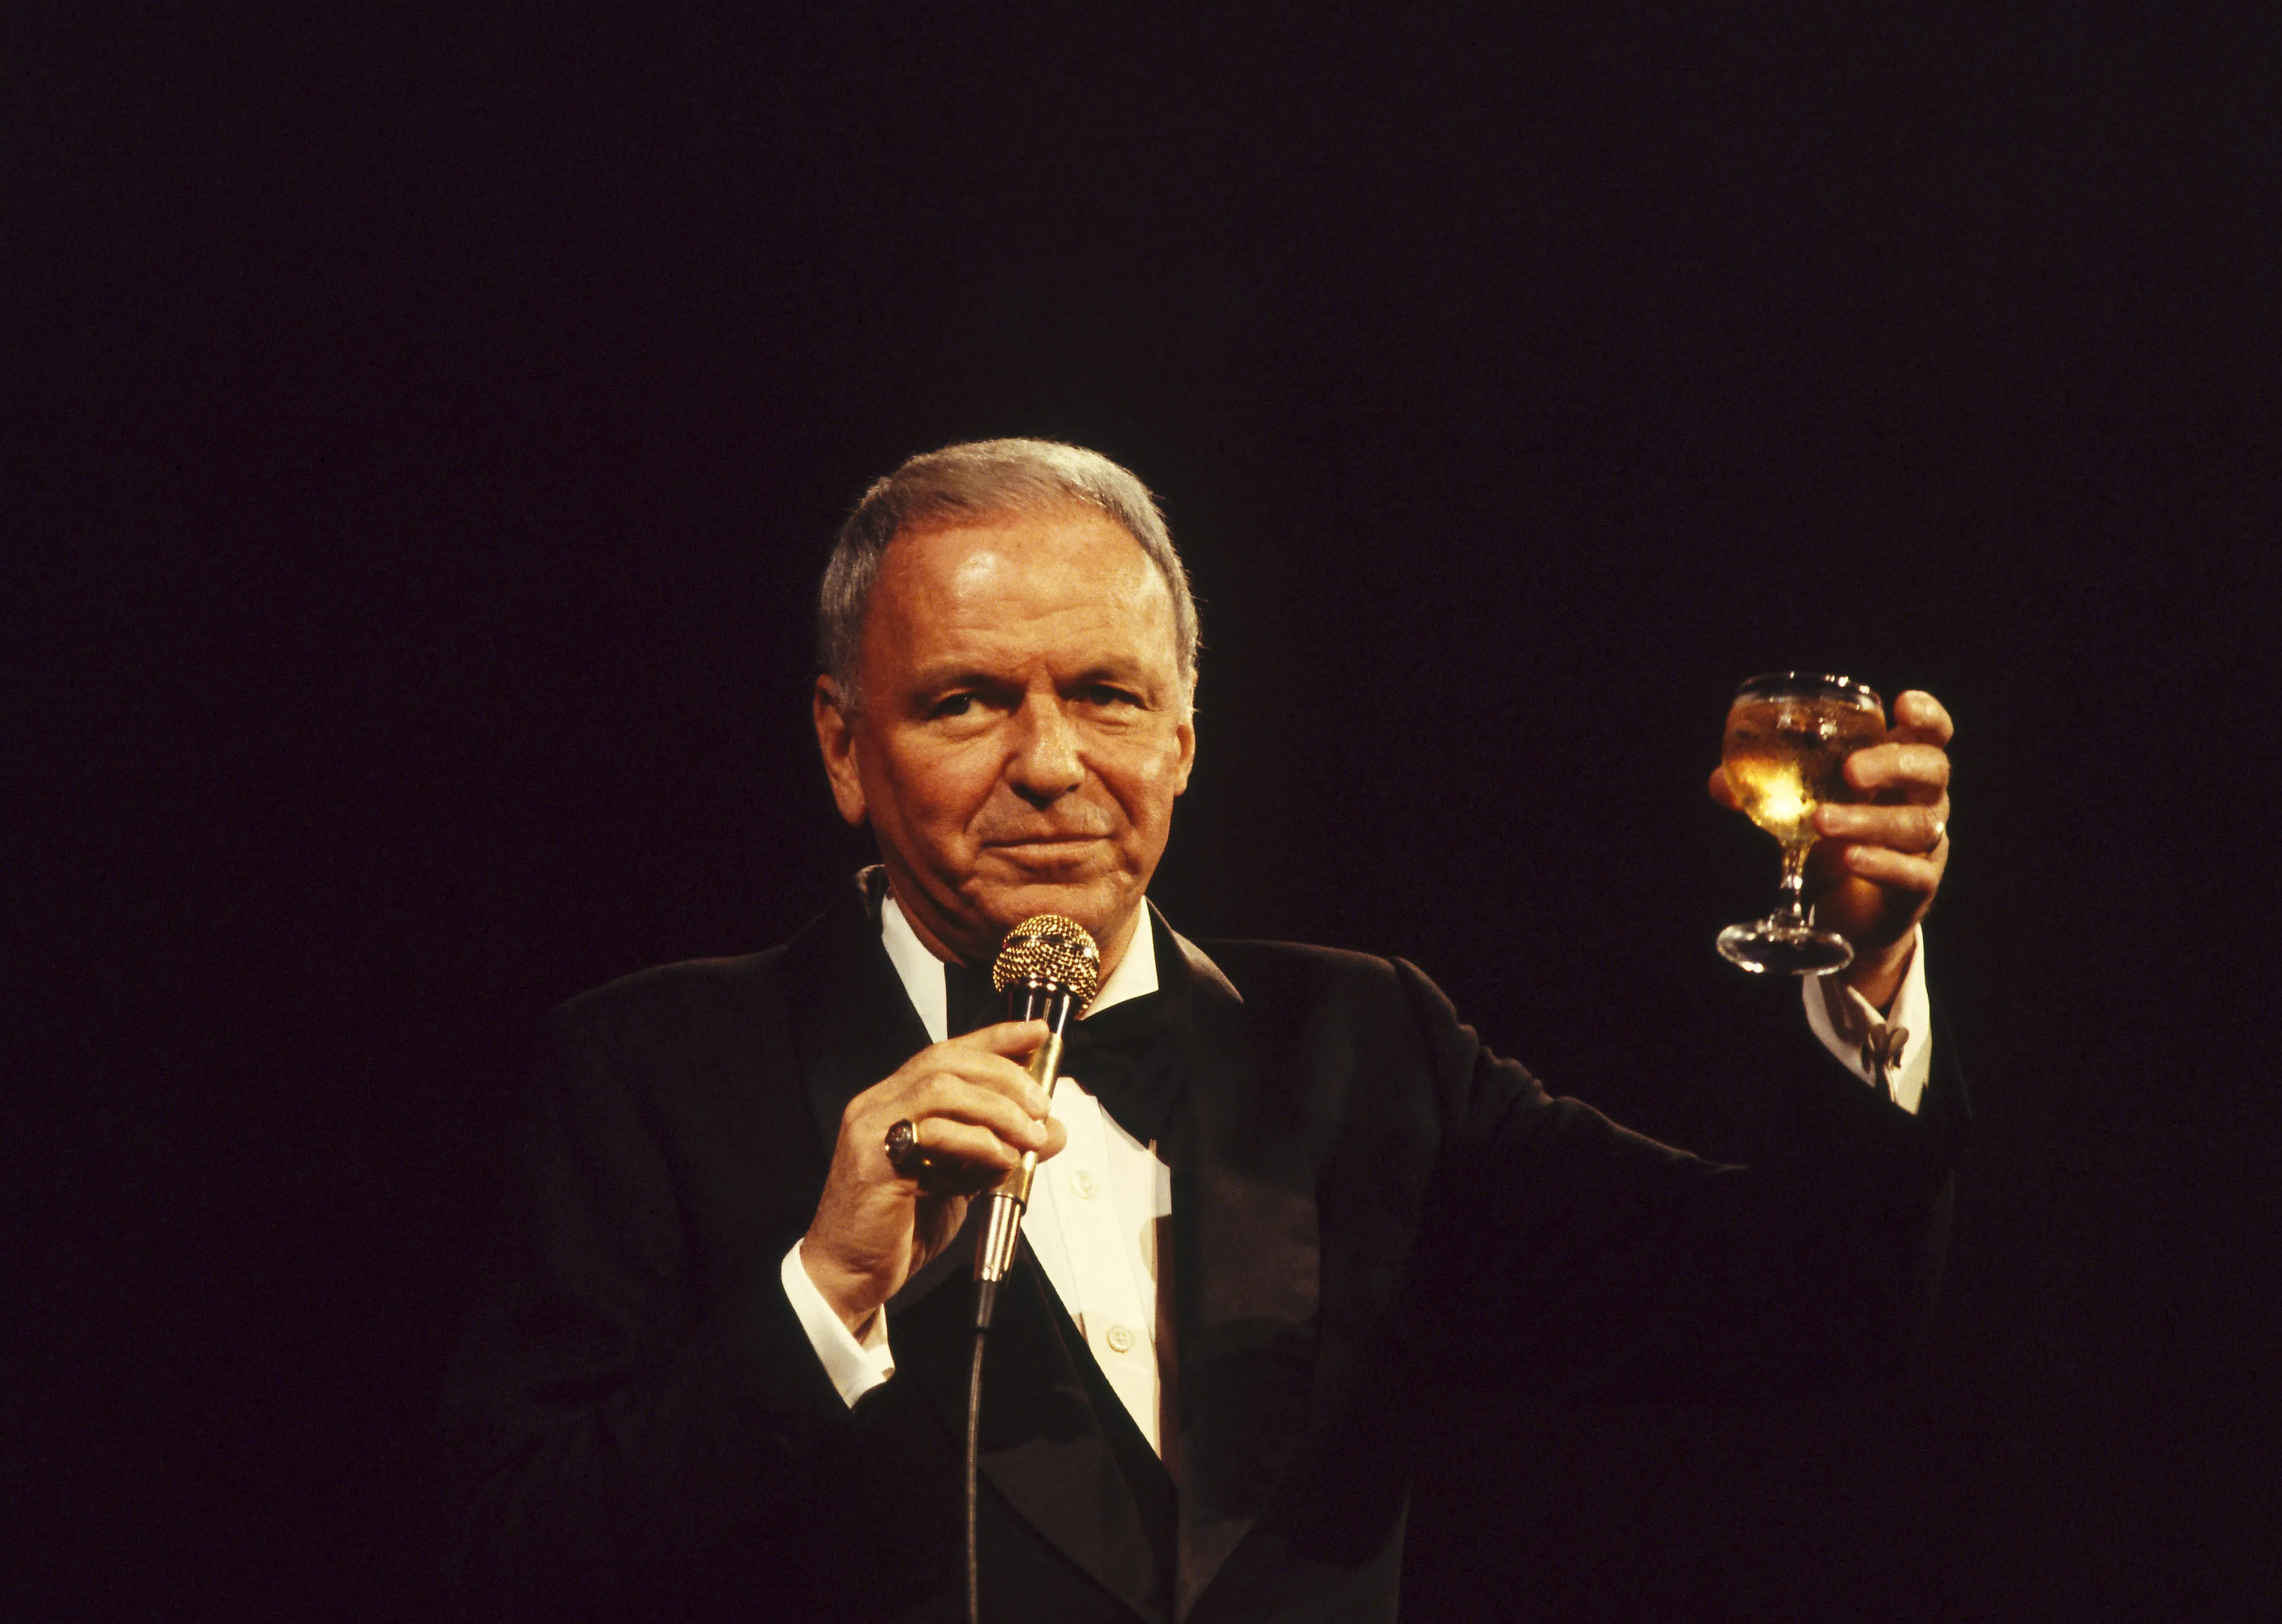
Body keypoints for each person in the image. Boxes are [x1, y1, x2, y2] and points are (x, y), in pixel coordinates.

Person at [439, 439, 1962, 1623]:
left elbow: (1798, 1305)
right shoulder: (652, 1070)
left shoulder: (1363, 1045)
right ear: (845, 745)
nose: (1048, 762)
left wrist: (1863, 977)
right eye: (966, 700)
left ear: (1184, 730)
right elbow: (516, 1561)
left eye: (1106, 693)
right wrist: (822, 1293)